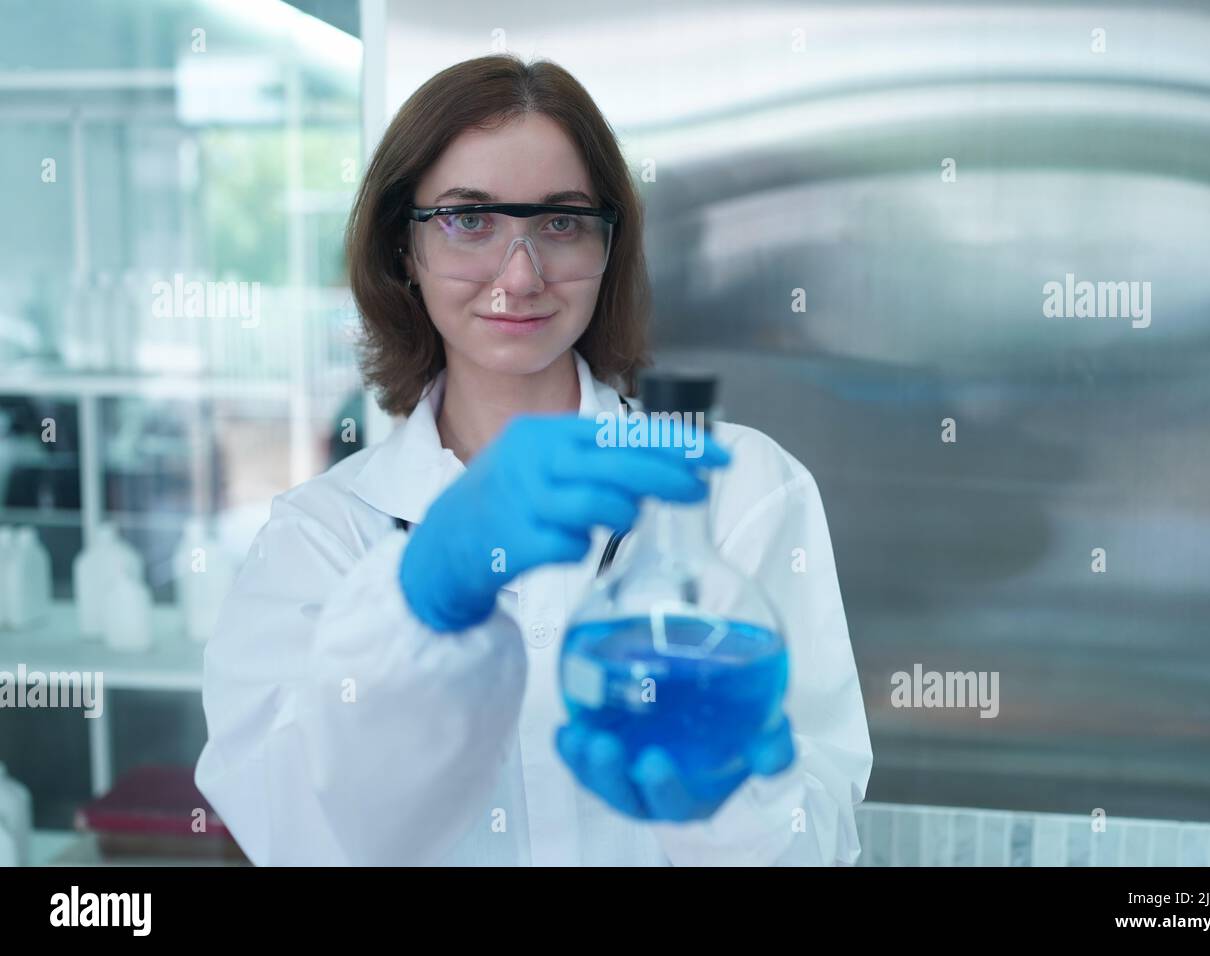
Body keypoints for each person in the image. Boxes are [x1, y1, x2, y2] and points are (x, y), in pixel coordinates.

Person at [195, 54, 871, 866]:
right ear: (400, 249)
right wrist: (415, 607)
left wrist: (733, 807)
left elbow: (823, 844)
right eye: (467, 219)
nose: (520, 275)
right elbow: (301, 838)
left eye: (561, 222)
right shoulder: (318, 538)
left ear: (608, 245)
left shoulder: (741, 490)